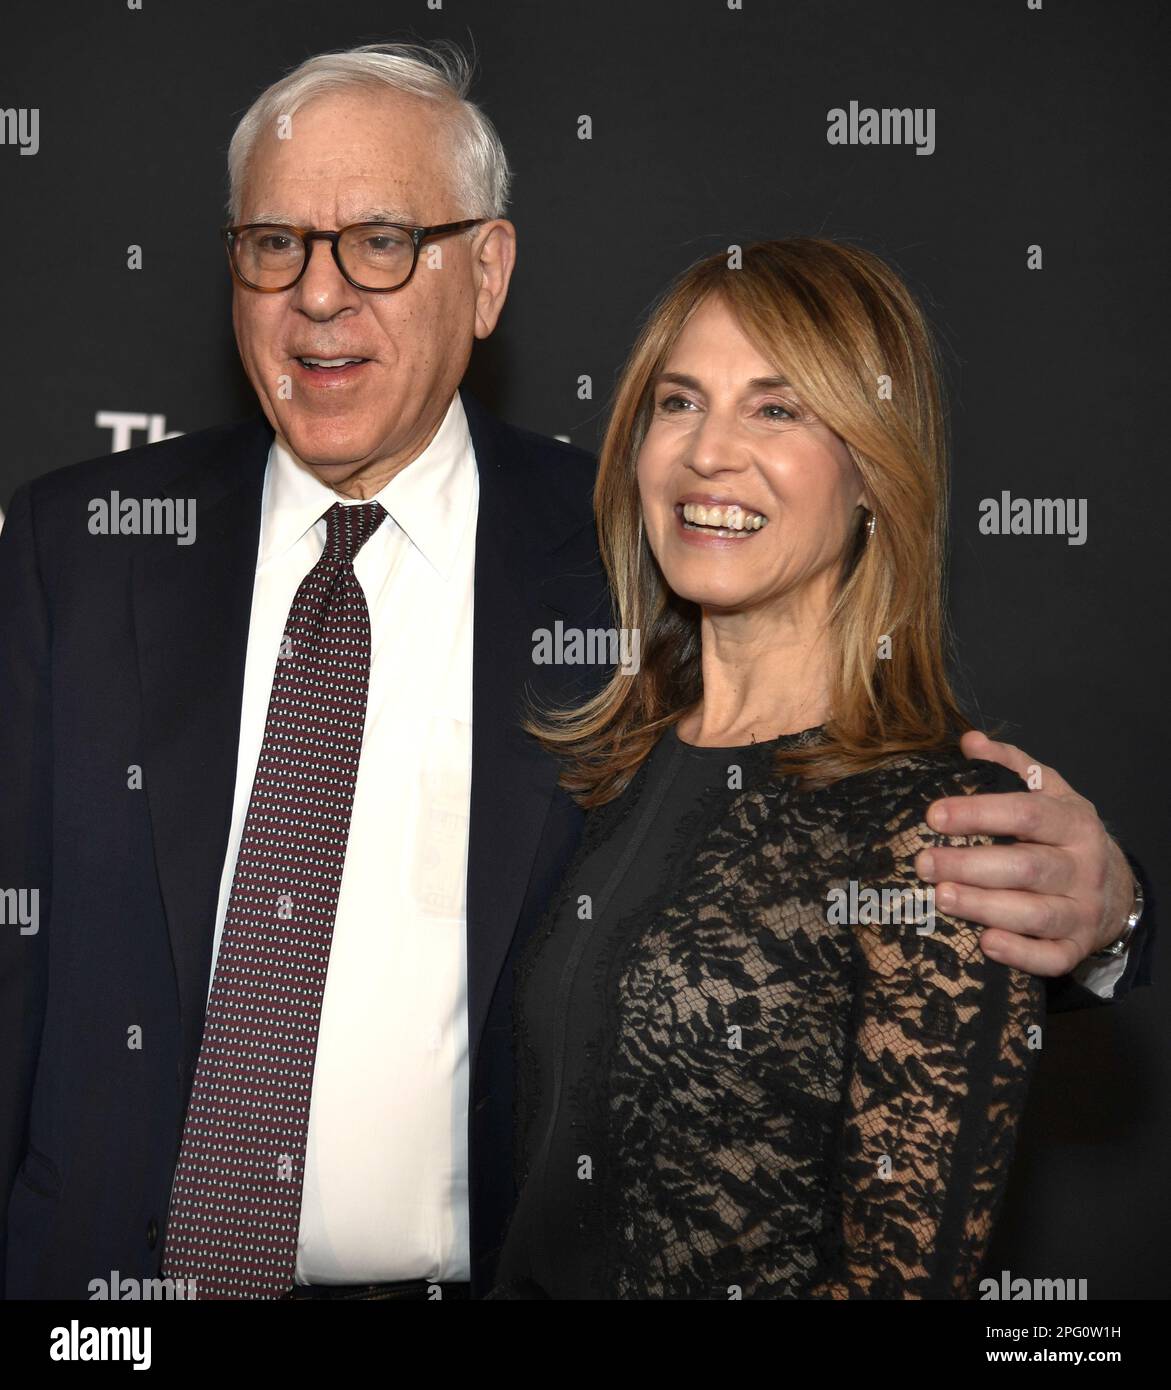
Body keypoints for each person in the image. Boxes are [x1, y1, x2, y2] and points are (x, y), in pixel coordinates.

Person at [0, 42, 1151, 1302]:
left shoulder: (637, 557)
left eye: (381, 241)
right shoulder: (84, 545)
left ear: (486, 273)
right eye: (274, 242)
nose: (318, 296)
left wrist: (1101, 923)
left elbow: (810, 852)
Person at [486, 238, 1123, 1299]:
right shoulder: (602, 768)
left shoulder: (939, 826)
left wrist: (1122, 907)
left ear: (875, 466)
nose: (708, 455)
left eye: (777, 410)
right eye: (679, 402)